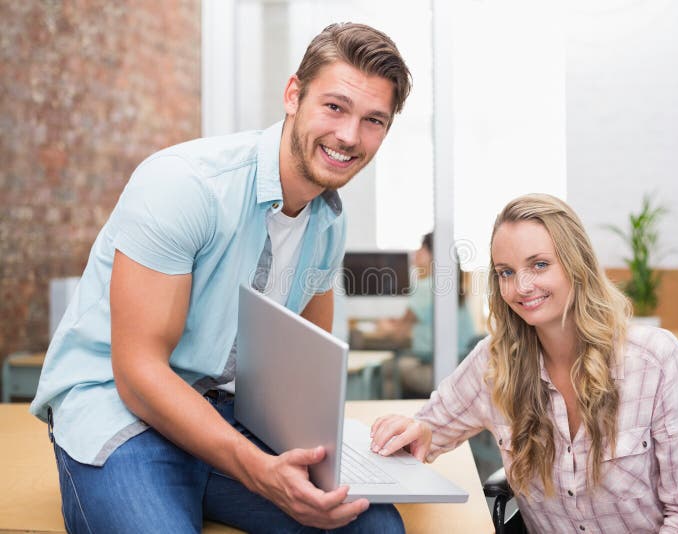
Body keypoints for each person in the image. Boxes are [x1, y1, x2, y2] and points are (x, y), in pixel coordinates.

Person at [30, 23, 411, 533]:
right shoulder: (185, 184)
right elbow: (138, 372)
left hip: (229, 418)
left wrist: (355, 453)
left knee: (374, 526)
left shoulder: (328, 222)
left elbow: (302, 369)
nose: (349, 136)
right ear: (293, 94)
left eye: (373, 121)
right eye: (335, 107)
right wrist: (259, 472)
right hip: (123, 414)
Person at [370, 194, 678, 532]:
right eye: (506, 272)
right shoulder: (495, 362)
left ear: (576, 263)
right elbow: (430, 428)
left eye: (539, 265)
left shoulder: (653, 360)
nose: (521, 287)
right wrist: (413, 432)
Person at [376, 232, 476, 396]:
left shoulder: (425, 286)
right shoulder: (452, 285)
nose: (415, 254)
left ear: (432, 255)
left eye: (420, 249)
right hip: (463, 369)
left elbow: (398, 335)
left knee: (387, 368)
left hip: (437, 370)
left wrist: (384, 327)